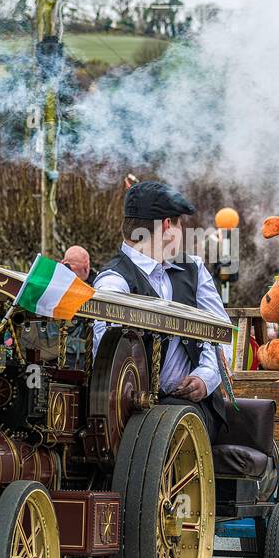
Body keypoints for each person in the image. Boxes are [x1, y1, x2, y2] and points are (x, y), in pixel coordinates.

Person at [92, 181, 231, 440]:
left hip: (194, 408)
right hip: (131, 414)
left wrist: (205, 378)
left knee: (179, 420)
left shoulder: (194, 269)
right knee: (164, 424)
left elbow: (222, 334)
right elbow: (106, 360)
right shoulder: (113, 282)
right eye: (181, 225)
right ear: (168, 226)